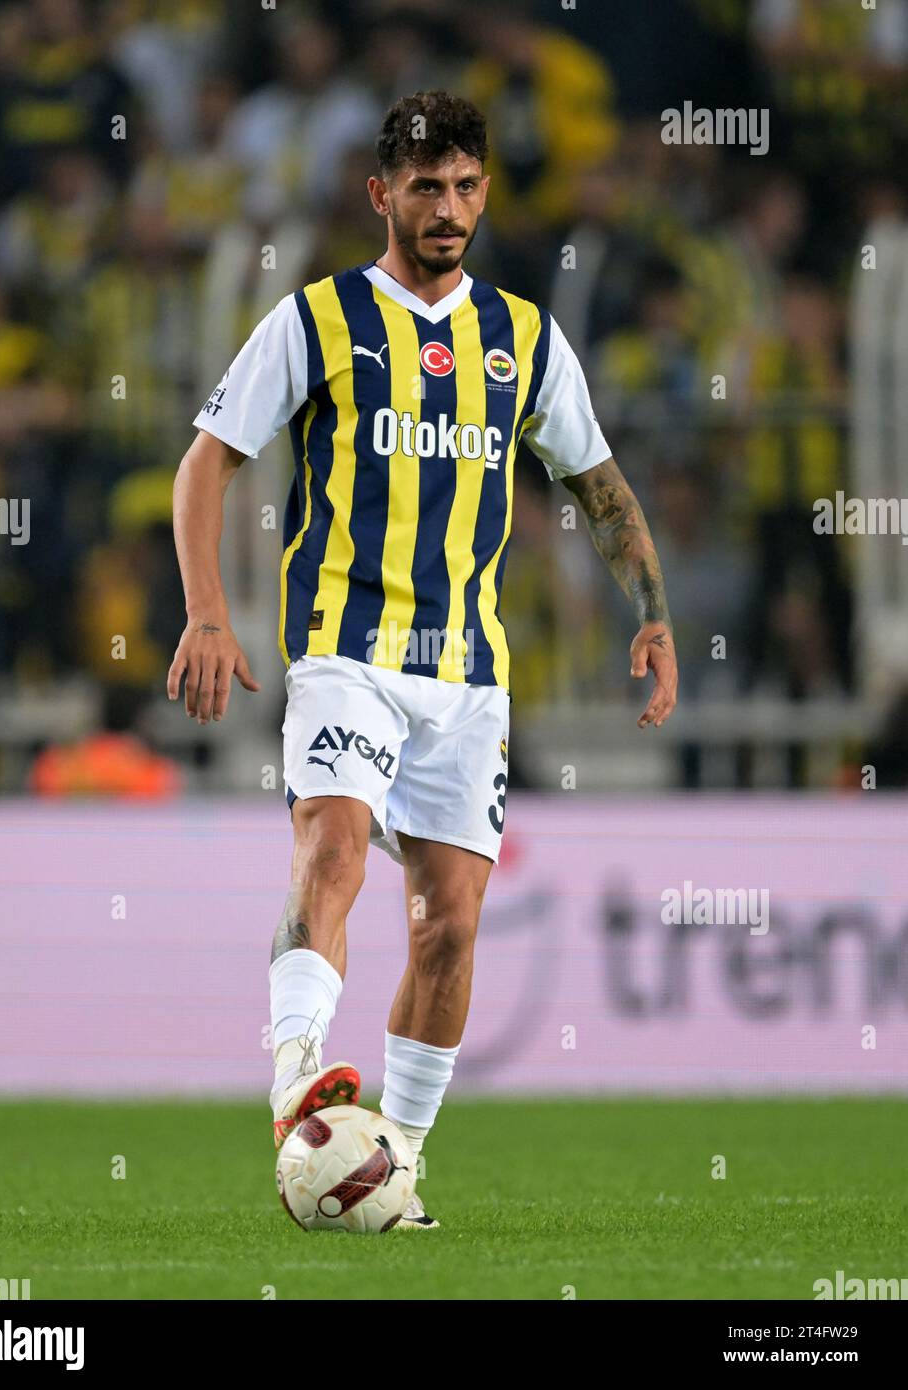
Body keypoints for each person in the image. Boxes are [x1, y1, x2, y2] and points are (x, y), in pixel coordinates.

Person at [167, 91, 678, 1229]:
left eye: (463, 188)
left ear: (485, 193)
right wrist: (208, 611)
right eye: (423, 187)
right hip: (346, 651)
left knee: (449, 926)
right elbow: (205, 464)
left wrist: (650, 606)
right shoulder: (316, 321)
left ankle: (394, 1163)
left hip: (469, 679)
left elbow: (598, 486)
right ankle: (296, 1062)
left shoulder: (528, 339)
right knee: (333, 845)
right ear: (379, 194)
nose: (445, 209)